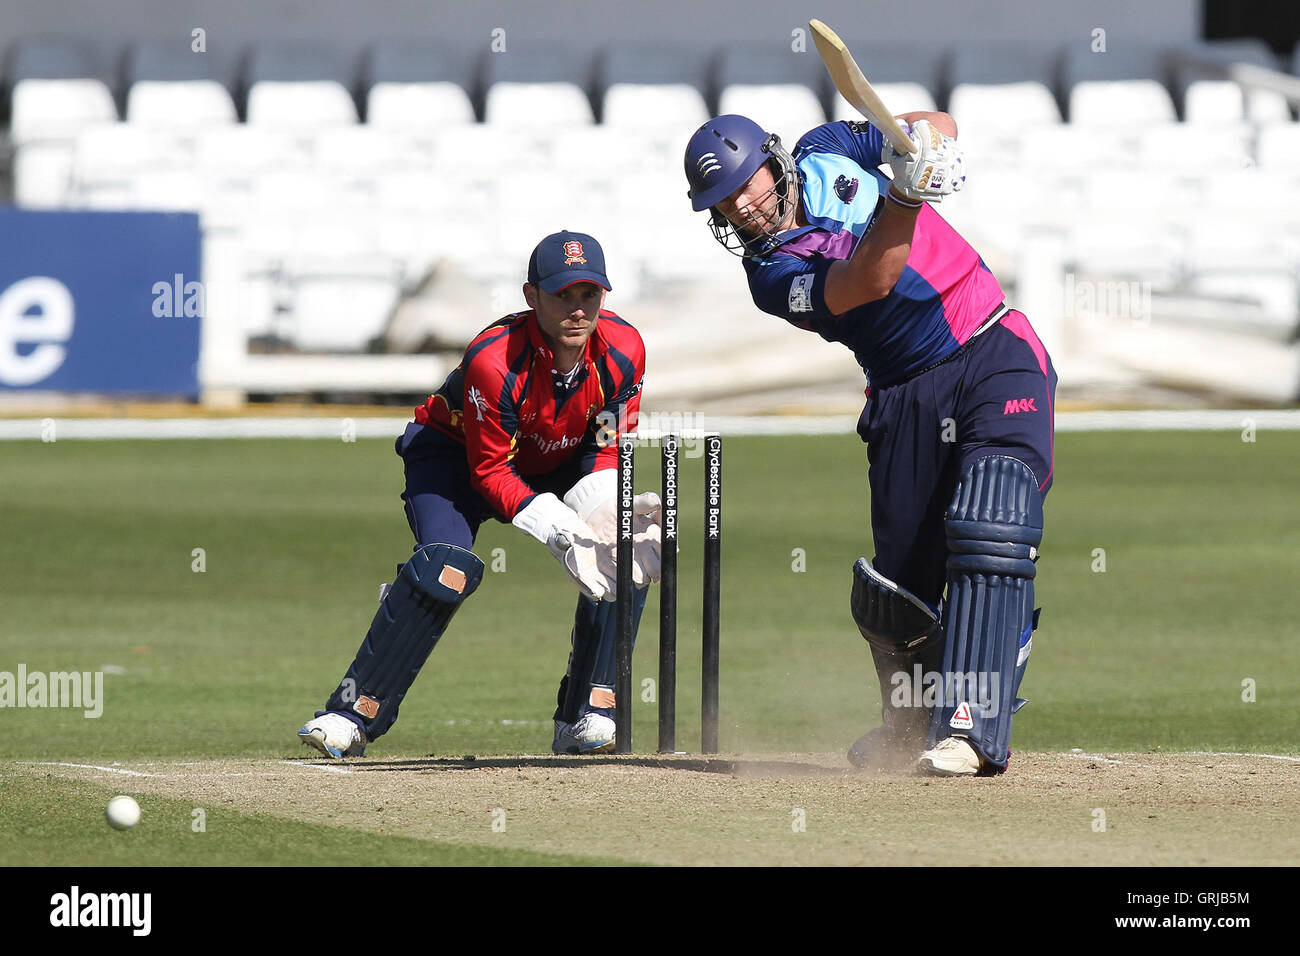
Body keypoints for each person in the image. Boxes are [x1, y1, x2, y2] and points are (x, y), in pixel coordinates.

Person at [683, 113, 1056, 776]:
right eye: (724, 204)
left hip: (992, 345)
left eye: (748, 183)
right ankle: (908, 729)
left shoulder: (825, 147)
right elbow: (868, 282)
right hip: (903, 395)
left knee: (990, 517)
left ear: (774, 161)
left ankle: (969, 731)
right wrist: (905, 195)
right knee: (898, 595)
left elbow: (928, 123)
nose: (742, 205)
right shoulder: (772, 275)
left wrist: (932, 147)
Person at [297, 231, 661, 758]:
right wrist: (563, 529)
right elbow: (490, 470)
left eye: (590, 295)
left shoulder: (626, 351)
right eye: (563, 295)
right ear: (531, 296)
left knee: (621, 555)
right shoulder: (496, 360)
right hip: (454, 459)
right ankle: (350, 715)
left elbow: (605, 442)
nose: (578, 310)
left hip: (556, 459)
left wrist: (603, 509)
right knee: (445, 570)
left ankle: (587, 715)